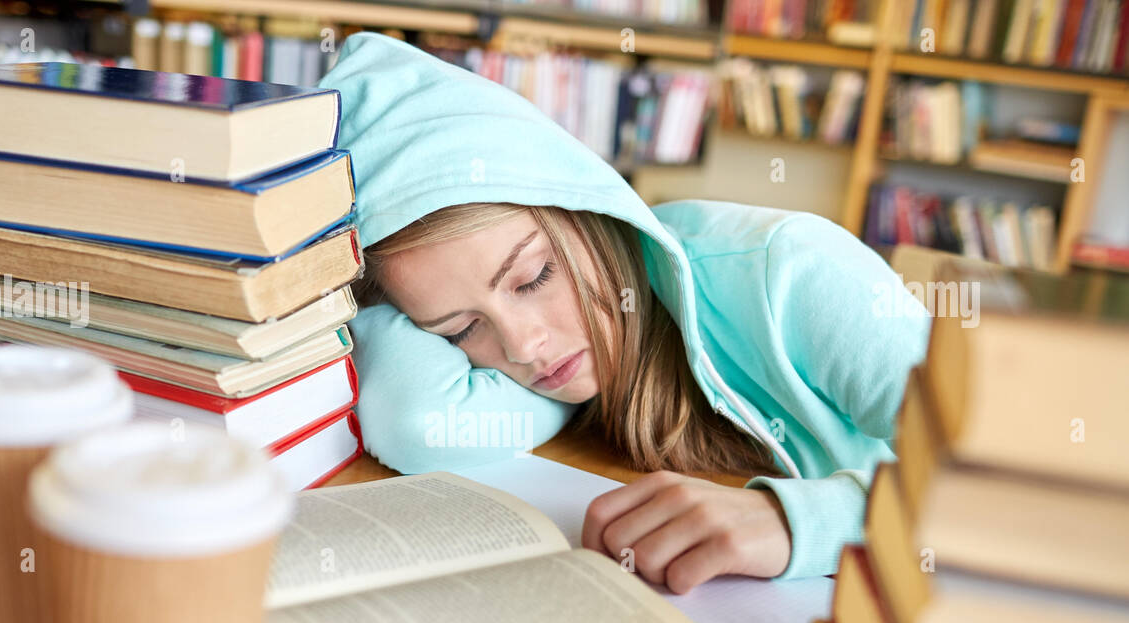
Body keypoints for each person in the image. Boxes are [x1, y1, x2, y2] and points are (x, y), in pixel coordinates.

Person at [319, 32, 931, 589]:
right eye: (461, 329)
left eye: (534, 278)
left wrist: (793, 521)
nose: (523, 348)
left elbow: (1015, 487)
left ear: (586, 207)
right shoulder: (561, 360)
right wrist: (348, 297)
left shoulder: (790, 271)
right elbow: (417, 422)